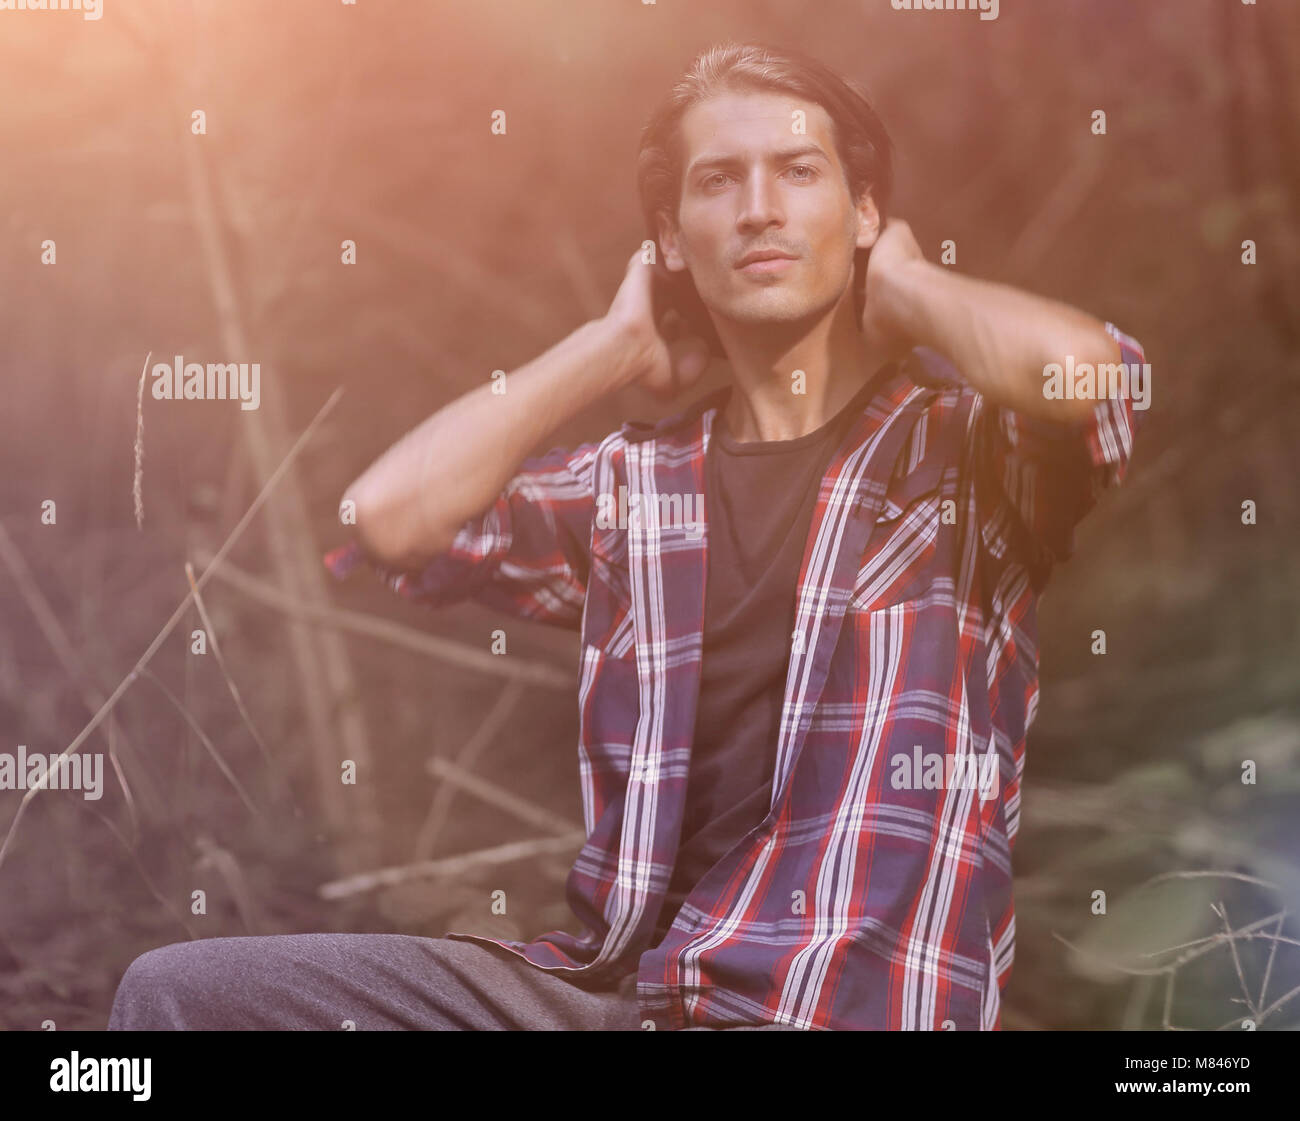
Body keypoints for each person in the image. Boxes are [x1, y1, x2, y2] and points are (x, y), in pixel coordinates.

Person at [109, 40, 1147, 1031]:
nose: (758, 209)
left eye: (798, 170)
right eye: (716, 181)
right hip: (614, 995)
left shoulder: (961, 454)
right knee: (184, 995)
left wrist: (911, 288)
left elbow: (1081, 375)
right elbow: (392, 517)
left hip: (834, 1008)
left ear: (862, 208)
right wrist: (605, 347)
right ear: (669, 237)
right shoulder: (636, 484)